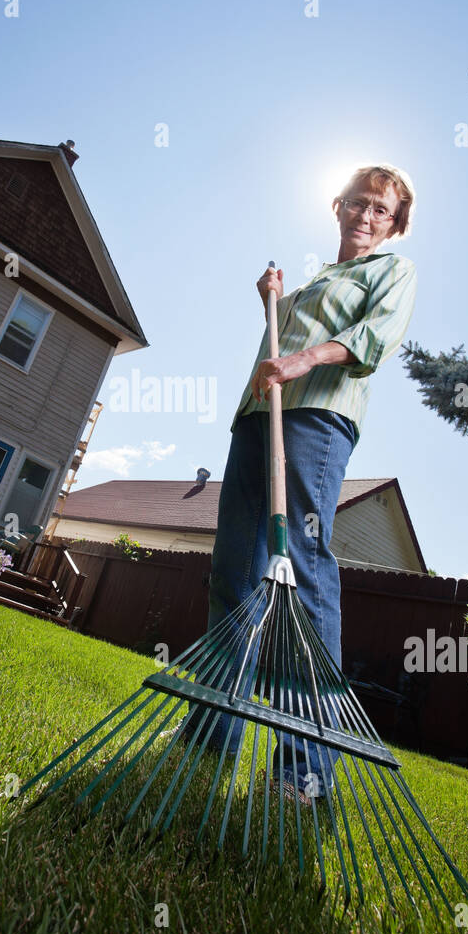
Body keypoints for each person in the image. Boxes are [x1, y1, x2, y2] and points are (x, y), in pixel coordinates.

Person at [179, 163, 418, 802]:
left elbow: (372, 337)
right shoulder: (320, 278)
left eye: (381, 212)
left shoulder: (391, 271)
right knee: (234, 575)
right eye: (358, 204)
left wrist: (304, 358)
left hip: (317, 420)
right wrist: (273, 302)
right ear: (338, 207)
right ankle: (209, 739)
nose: (367, 217)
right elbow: (281, 339)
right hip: (258, 417)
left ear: (393, 225)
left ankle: (302, 768)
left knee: (304, 570)